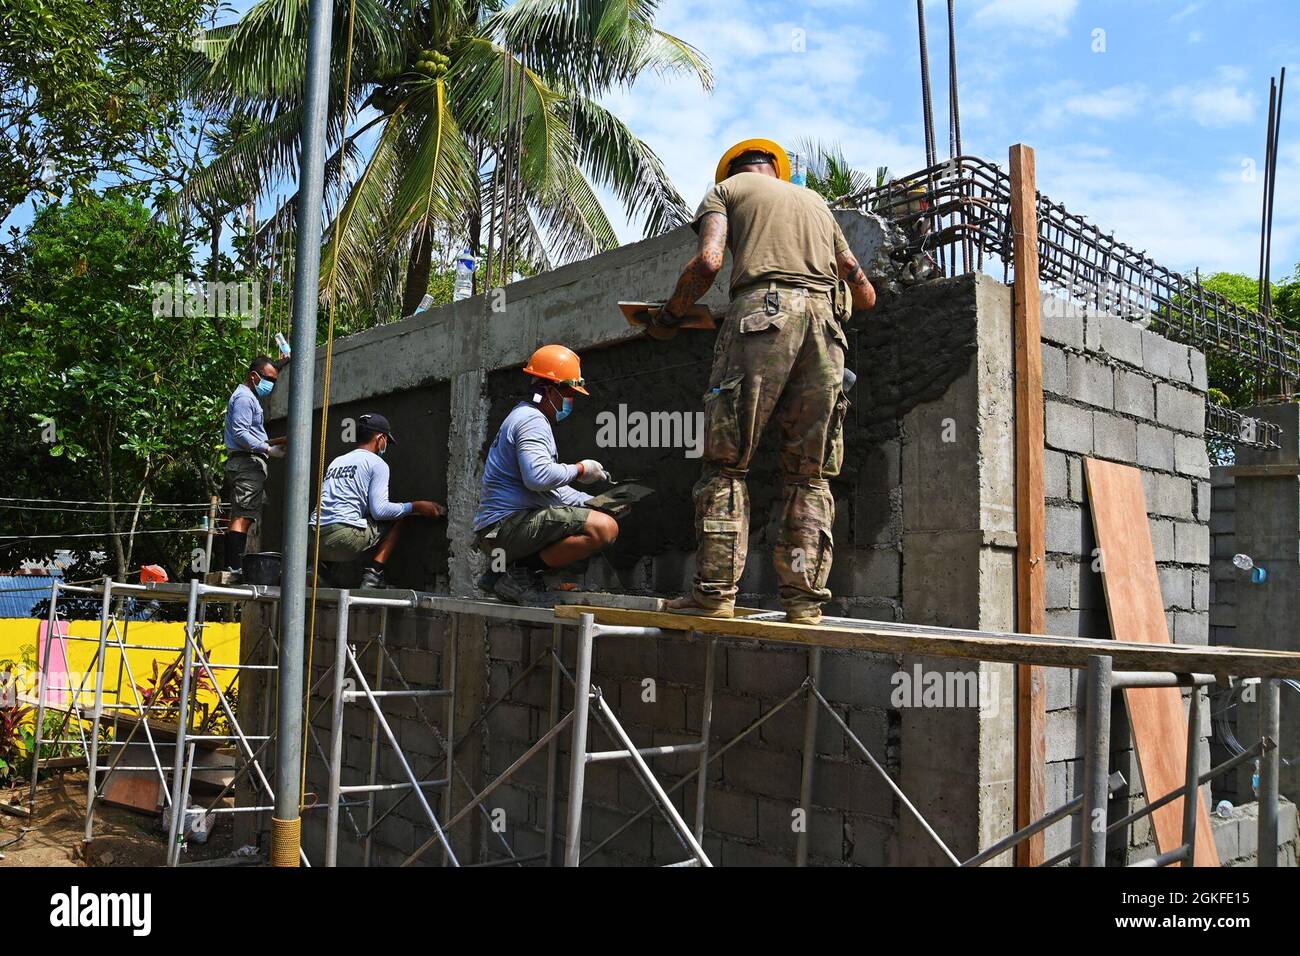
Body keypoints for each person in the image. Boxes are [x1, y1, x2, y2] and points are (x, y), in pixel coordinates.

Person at [652, 138, 877, 624]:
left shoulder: (726, 192)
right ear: (777, 168)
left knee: (727, 463)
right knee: (811, 474)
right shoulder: (817, 203)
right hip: (827, 329)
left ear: (730, 171)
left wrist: (670, 315)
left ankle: (714, 595)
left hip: (762, 318)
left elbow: (709, 262)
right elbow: (865, 293)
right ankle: (803, 602)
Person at [473, 344, 617, 605]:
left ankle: (504, 574)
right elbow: (538, 477)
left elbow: (547, 488)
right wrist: (581, 469)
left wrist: (589, 501)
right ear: (549, 390)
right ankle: (518, 576)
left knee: (598, 516)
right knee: (604, 529)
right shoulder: (533, 421)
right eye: (568, 393)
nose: (570, 401)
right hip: (505, 529)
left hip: (500, 531)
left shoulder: (523, 416)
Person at [308, 413, 445, 589]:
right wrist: (416, 506)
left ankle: (319, 571)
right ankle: (373, 575)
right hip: (343, 541)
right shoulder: (376, 463)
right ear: (380, 438)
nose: (385, 445)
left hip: (314, 542)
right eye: (386, 441)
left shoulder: (337, 461)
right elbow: (380, 510)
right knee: (397, 516)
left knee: (347, 518)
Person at [222, 355, 285, 575]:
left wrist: (282, 362)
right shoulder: (244, 398)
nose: (271, 384)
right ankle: (234, 566)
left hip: (247, 462)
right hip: (246, 461)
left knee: (246, 514)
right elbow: (240, 433)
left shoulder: (250, 397)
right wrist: (267, 449)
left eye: (274, 380)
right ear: (253, 376)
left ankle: (234, 564)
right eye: (268, 379)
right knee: (243, 515)